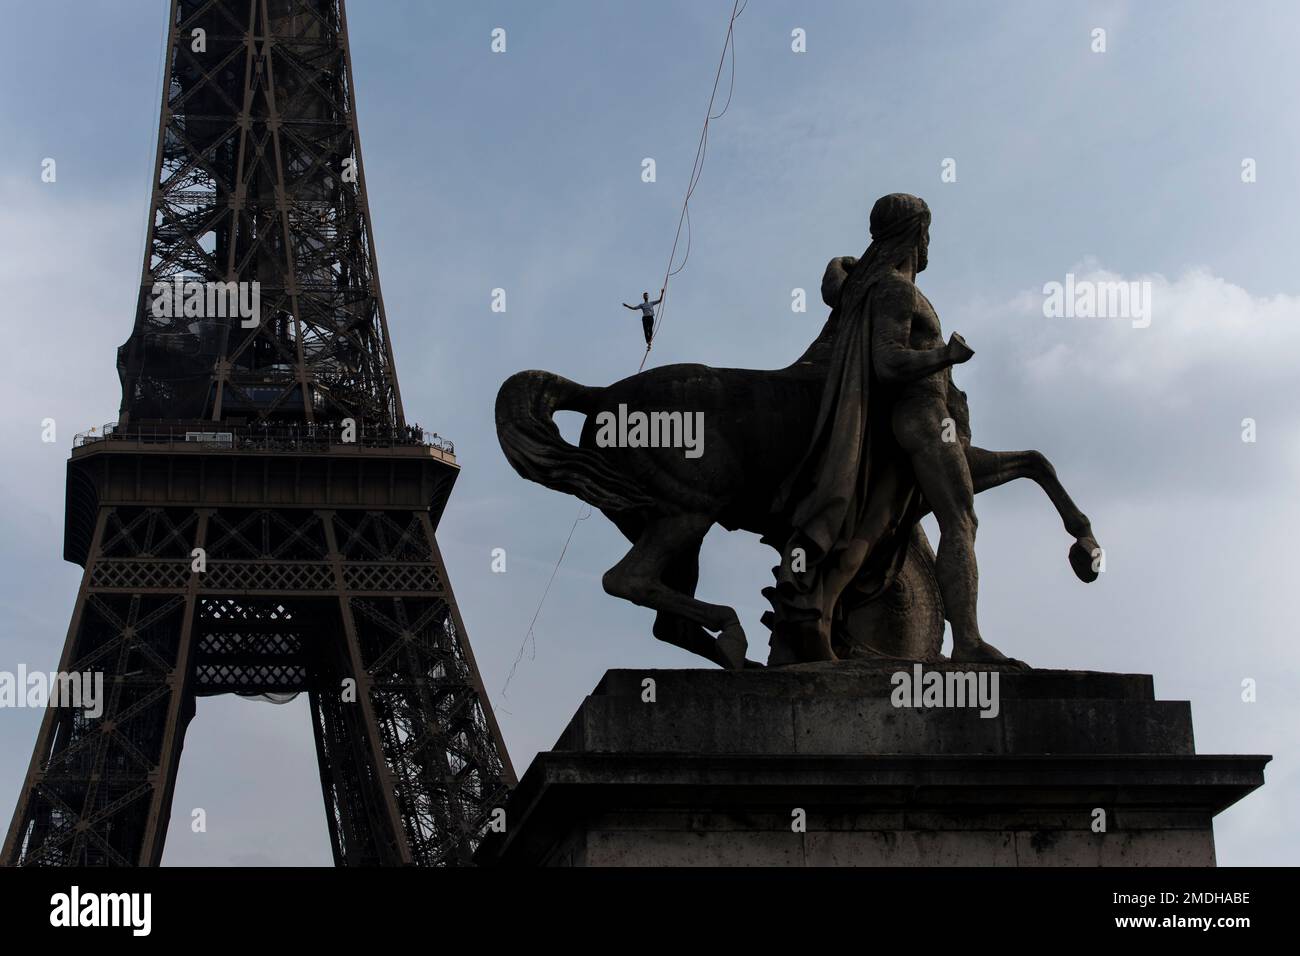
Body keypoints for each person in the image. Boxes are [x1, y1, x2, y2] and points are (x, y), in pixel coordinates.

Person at [769, 193, 1013, 666]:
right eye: (927, 231)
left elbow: (839, 289)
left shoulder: (871, 286)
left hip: (899, 430)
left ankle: (815, 613)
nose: (928, 242)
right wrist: (947, 356)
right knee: (961, 520)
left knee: (869, 529)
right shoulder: (897, 290)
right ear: (915, 233)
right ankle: (967, 640)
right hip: (924, 419)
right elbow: (888, 361)